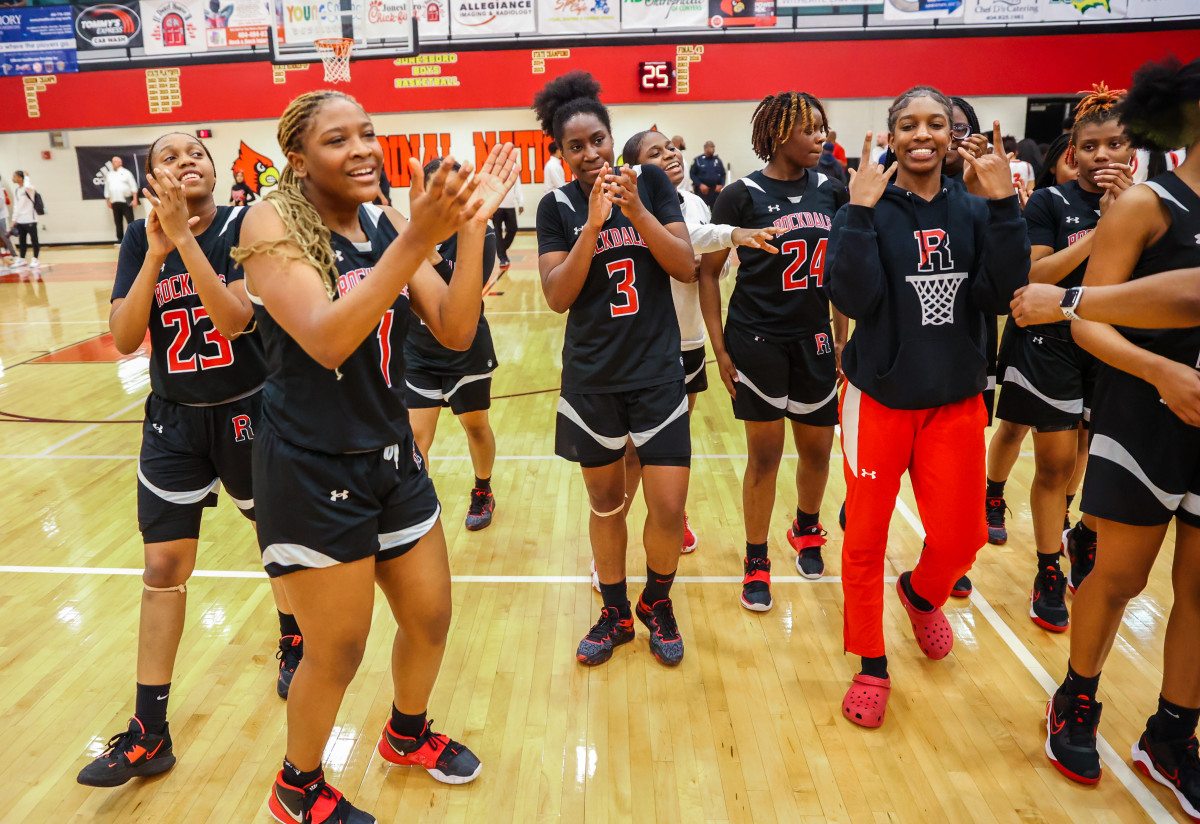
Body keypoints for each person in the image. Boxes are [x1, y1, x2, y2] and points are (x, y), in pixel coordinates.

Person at [233, 90, 518, 823]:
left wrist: (472, 230)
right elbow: (327, 337)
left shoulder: (383, 220)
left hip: (390, 455)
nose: (362, 148)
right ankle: (296, 787)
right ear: (298, 157)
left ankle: (406, 733)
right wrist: (417, 237)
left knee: (429, 617)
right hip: (311, 464)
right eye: (338, 140)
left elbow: (455, 331)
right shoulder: (269, 224)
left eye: (367, 134)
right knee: (340, 647)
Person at [75, 132, 304, 789]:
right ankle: (151, 731)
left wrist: (185, 241)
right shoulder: (136, 240)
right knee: (162, 564)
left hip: (248, 408)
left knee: (273, 539)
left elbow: (235, 319)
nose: (186, 161)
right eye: (169, 157)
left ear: (213, 170)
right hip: (174, 417)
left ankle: (293, 634)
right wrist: (153, 252)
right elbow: (123, 339)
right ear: (150, 179)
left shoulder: (246, 222)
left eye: (196, 154)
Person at [827, 89, 1028, 728]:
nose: (922, 134)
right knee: (864, 539)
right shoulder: (866, 206)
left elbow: (1001, 295)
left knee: (964, 537)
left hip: (955, 399)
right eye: (908, 124)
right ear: (890, 135)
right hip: (878, 399)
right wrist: (856, 214)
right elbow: (854, 299)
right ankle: (870, 661)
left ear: (952, 134)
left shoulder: (977, 210)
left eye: (935, 123)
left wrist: (1004, 206)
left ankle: (919, 593)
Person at [1042, 58, 1200, 822]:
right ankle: (1077, 696)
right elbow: (1087, 319)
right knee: (1122, 578)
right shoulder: (1148, 204)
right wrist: (1161, 372)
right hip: (1144, 413)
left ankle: (1172, 733)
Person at [532, 71, 694, 668]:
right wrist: (594, 224)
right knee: (606, 506)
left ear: (610, 135)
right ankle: (615, 611)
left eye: (598, 139)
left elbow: (683, 266)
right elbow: (557, 295)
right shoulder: (555, 207)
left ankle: (658, 601)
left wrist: (635, 211)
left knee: (670, 505)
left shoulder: (649, 181)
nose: (591, 153)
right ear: (561, 152)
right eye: (575, 146)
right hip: (593, 379)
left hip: (656, 371)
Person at [699, 91, 848, 611]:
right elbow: (709, 274)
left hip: (816, 340)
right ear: (779, 134)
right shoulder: (739, 195)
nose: (820, 137)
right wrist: (719, 349)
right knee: (763, 455)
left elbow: (841, 274)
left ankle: (806, 528)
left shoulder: (833, 189)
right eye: (810, 129)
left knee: (817, 450)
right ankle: (756, 558)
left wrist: (842, 340)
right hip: (756, 339)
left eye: (822, 128)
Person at [993, 84, 1134, 633]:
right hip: (1051, 346)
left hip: (1116, 349)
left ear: (1133, 150)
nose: (1103, 156)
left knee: (1097, 463)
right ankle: (1048, 567)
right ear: (1072, 152)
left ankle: (1085, 535)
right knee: (1052, 463)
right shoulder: (1052, 203)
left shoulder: (1153, 204)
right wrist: (1100, 232)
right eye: (1091, 146)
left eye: (1115, 144)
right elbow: (1036, 276)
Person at [615, 128, 780, 563]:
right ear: (633, 168)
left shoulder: (696, 203)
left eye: (671, 148)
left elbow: (709, 271)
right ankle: (610, 540)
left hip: (689, 342)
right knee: (633, 451)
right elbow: (690, 243)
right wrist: (731, 235)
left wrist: (708, 261)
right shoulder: (631, 208)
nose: (670, 155)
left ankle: (672, 514)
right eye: (656, 151)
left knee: (671, 443)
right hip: (644, 347)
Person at [985, 131, 1080, 547]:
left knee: (1081, 438)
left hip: (1091, 339)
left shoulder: (1127, 206)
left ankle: (1064, 510)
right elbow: (1032, 274)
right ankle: (992, 494)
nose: (1089, 162)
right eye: (1076, 155)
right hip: (1040, 336)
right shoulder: (1046, 205)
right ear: (1055, 163)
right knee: (1014, 426)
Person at [406, 156, 500, 532]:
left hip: (466, 350)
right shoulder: (407, 233)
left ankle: (483, 489)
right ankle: (416, 500)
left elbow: (461, 297)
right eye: (441, 187)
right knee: (414, 436)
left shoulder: (480, 231)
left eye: (459, 186)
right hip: (419, 352)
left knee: (475, 426)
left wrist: (427, 248)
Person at [105, 155, 140, 243]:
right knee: (117, 221)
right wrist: (108, 201)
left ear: (120, 163)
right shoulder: (109, 174)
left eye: (116, 161)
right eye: (113, 162)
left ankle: (133, 239)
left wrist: (135, 199)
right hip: (115, 201)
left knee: (130, 221)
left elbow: (133, 186)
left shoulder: (126, 173)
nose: (114, 163)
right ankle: (120, 239)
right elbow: (107, 188)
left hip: (126, 200)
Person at [492, 172, 523, 270]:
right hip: (497, 205)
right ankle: (502, 258)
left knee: (513, 228)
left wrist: (520, 202)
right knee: (497, 231)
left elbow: (518, 187)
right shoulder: (495, 167)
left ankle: (501, 250)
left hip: (510, 205)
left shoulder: (514, 169)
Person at [11, 171, 39, 268]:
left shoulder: (29, 189)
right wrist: (14, 219)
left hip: (30, 219)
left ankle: (35, 259)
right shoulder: (17, 190)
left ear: (20, 178)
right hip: (20, 220)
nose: (13, 178)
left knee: (34, 240)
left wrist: (27, 177)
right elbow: (16, 206)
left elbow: (27, 186)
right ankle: (22, 259)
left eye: (15, 176)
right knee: (22, 240)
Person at [691, 140, 726, 208]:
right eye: (712, 147)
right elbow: (692, 174)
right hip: (702, 192)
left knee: (716, 212)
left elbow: (723, 174)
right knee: (701, 212)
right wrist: (700, 184)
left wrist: (721, 185)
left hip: (715, 192)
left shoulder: (717, 161)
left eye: (714, 147)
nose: (714, 149)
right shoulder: (698, 160)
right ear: (706, 148)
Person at [0, 174, 15, 264]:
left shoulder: (1, 190)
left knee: (5, 236)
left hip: (1, 216)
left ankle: (13, 254)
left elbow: (4, 203)